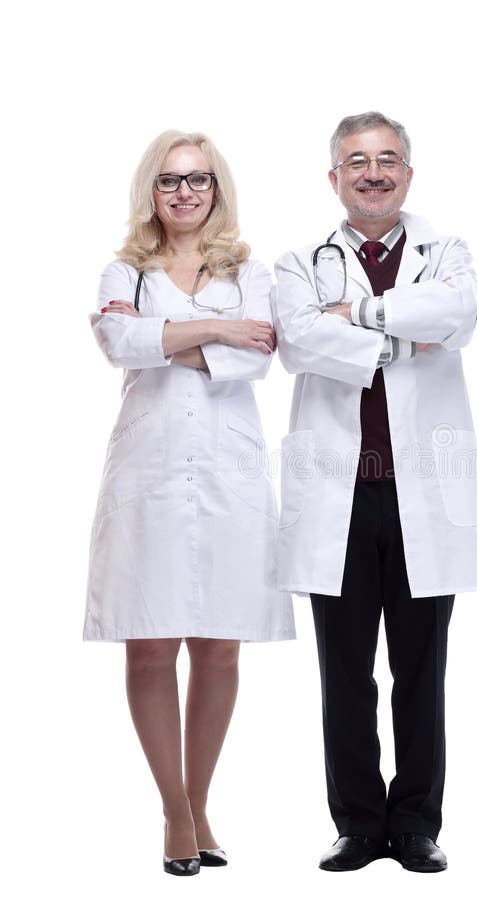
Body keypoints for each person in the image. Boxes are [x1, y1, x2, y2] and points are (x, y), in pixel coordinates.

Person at [273, 111, 477, 873]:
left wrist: (361, 318)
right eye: (357, 161)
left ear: (408, 172)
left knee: (421, 668)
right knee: (344, 670)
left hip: (422, 492)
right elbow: (300, 341)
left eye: (388, 159)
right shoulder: (300, 262)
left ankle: (417, 825)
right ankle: (359, 825)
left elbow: (459, 315)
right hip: (340, 494)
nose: (374, 172)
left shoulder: (448, 253)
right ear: (334, 177)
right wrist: (406, 336)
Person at [85, 130, 295, 876]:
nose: (184, 192)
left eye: (198, 180)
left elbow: (260, 352)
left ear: (217, 189)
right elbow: (118, 340)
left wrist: (167, 339)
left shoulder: (252, 271)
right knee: (149, 639)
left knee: (219, 642)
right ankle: (175, 813)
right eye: (171, 180)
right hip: (148, 470)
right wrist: (212, 328)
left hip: (229, 472)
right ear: (152, 190)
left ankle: (198, 800)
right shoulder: (126, 269)